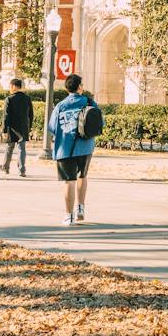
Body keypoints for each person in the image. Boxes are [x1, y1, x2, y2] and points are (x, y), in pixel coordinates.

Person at [47, 73, 98, 226]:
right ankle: (80, 208)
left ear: (66, 88)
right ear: (80, 87)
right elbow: (98, 122)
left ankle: (68, 216)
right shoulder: (89, 102)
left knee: (69, 181)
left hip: (65, 148)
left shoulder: (61, 106)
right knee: (82, 176)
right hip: (85, 146)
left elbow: (52, 127)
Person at [0, 77, 32, 177]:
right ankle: (22, 170)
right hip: (23, 128)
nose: (9, 88)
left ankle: (5, 168)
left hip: (12, 128)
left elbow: (6, 116)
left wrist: (4, 130)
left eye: (10, 86)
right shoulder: (27, 98)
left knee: (9, 148)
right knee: (22, 149)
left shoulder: (9, 99)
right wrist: (29, 127)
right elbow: (31, 114)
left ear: (14, 86)